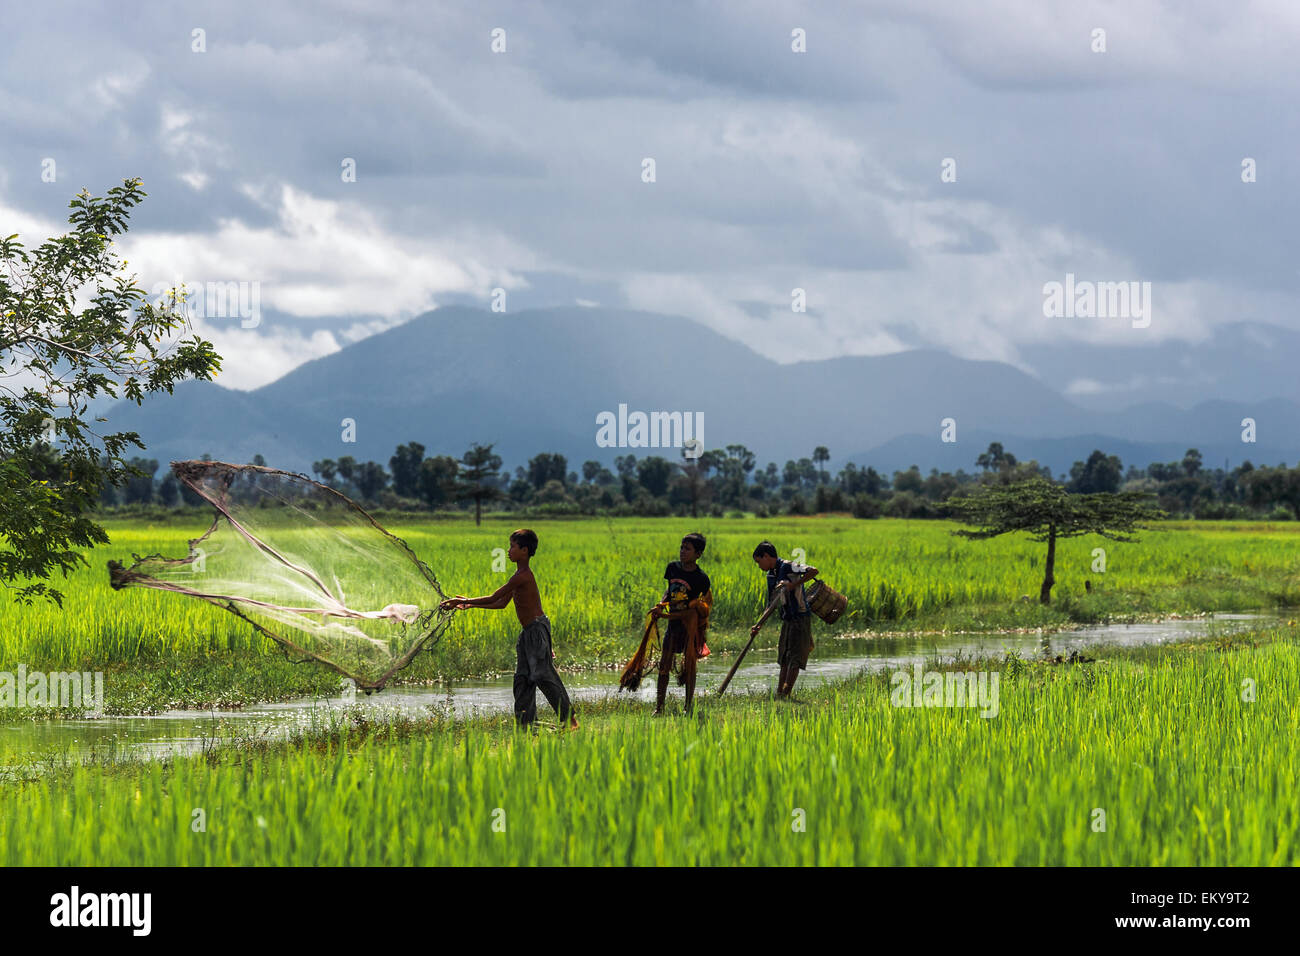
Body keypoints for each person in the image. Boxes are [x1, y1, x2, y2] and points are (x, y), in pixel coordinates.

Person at [439, 529, 577, 730]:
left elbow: (494, 597)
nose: (508, 550)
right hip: (528, 634)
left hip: (536, 631)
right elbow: (501, 603)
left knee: (542, 675)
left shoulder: (523, 576)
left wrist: (462, 600)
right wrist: (470, 605)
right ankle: (526, 725)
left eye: (512, 546)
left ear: (524, 550)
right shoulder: (518, 575)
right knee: (522, 678)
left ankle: (570, 721)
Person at [653, 532, 712, 716]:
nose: (682, 551)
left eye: (688, 549)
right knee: (664, 666)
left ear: (698, 554)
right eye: (681, 547)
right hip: (673, 625)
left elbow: (705, 602)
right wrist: (662, 604)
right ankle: (659, 707)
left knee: (690, 666)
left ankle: (688, 706)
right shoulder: (672, 568)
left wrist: (696, 607)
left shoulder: (701, 578)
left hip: (689, 627)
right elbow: (669, 591)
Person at [751, 541, 818, 699]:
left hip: (800, 617)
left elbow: (813, 571)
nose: (759, 565)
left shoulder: (788, 566)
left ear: (766, 557)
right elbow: (771, 604)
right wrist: (758, 625)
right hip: (787, 619)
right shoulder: (771, 575)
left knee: (795, 658)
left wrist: (793, 584)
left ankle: (786, 694)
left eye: (759, 561)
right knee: (784, 658)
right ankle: (780, 693)